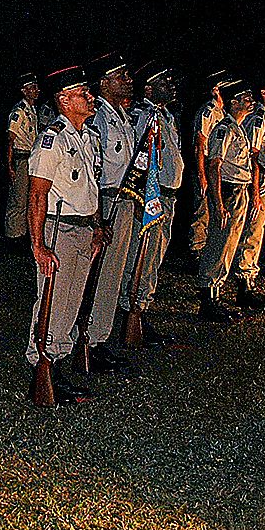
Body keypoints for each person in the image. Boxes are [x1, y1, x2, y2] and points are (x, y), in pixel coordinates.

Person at [25, 65, 104, 402]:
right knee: (53, 301)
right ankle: (43, 368)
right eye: (83, 93)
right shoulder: (52, 140)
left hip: (84, 230)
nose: (91, 97)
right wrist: (39, 245)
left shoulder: (87, 137)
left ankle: (57, 364)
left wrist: (97, 226)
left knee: (71, 301)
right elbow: (37, 194)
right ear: (65, 100)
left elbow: (90, 187)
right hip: (60, 229)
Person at [118, 61, 182, 344]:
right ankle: (132, 312)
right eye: (164, 83)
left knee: (153, 257)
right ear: (149, 89)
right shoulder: (145, 116)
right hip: (152, 197)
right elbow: (141, 160)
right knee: (142, 257)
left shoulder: (165, 115)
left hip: (168, 194)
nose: (171, 87)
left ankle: (139, 311)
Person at [83, 53, 137, 374]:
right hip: (105, 201)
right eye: (122, 76)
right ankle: (88, 340)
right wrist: (98, 214)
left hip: (123, 198)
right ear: (104, 83)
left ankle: (100, 337)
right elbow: (95, 169)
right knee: (100, 273)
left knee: (113, 272)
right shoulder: (99, 119)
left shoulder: (122, 117)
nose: (129, 81)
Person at [197, 79, 257, 321]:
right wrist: (219, 202)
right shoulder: (224, 129)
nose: (250, 102)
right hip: (229, 191)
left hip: (239, 190)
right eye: (245, 98)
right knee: (220, 243)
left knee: (230, 243)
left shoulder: (238, 128)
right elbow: (214, 165)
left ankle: (216, 294)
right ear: (233, 102)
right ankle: (209, 297)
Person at [231, 75, 265, 310]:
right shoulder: (257, 119)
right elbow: (253, 157)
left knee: (258, 229)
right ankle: (244, 282)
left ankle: (249, 278)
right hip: (258, 178)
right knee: (252, 229)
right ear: (264, 92)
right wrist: (255, 191)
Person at [186, 70, 229, 264]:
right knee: (202, 208)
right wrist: (202, 174)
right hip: (203, 164)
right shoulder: (208, 110)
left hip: (215, 166)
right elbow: (199, 142)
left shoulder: (222, 112)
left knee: (213, 207)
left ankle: (207, 246)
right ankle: (197, 247)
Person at [4, 72, 42, 243]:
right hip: (21, 158)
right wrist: (10, 165)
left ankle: (22, 233)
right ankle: (13, 235)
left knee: (28, 198)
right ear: (24, 91)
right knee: (18, 199)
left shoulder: (32, 110)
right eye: (32, 87)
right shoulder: (19, 111)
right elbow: (10, 140)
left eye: (36, 87)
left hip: (30, 158)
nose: (37, 90)